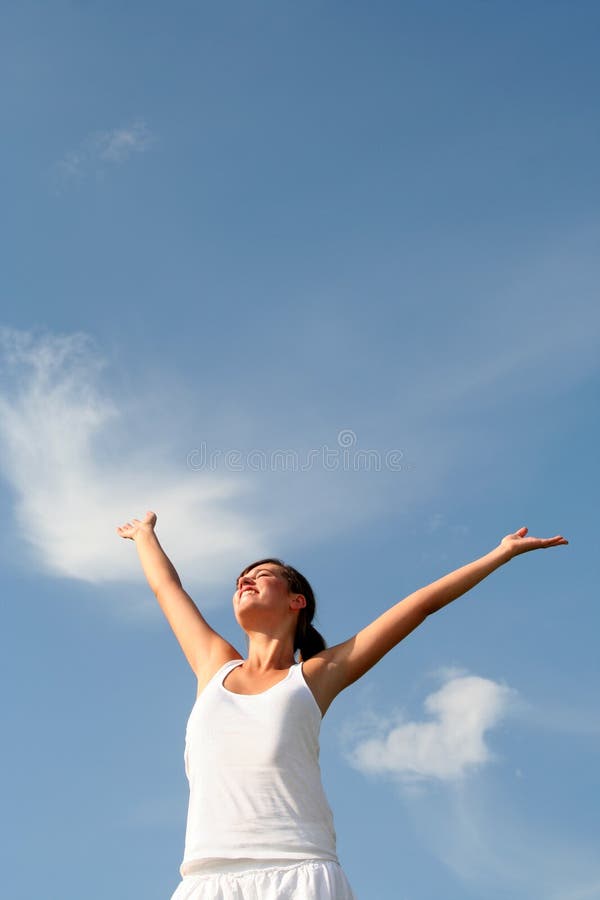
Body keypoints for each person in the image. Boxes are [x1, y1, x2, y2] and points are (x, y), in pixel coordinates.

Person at [116, 511, 568, 899]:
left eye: (262, 574)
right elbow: (166, 589)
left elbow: (419, 606)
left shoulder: (312, 678)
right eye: (240, 578)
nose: (244, 579)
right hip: (205, 879)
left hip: (300, 873)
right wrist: (145, 535)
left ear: (297, 602)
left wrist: (500, 553)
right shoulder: (212, 664)